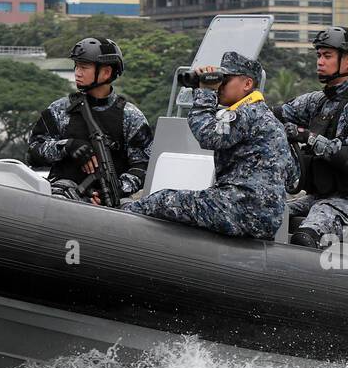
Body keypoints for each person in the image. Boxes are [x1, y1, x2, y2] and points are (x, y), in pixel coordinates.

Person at [124, 51, 297, 240]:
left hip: (244, 209)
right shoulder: (263, 115)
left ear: (247, 84)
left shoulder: (247, 113)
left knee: (162, 200)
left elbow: (208, 136)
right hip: (258, 212)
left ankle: (116, 218)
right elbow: (291, 177)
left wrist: (205, 93)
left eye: (225, 80)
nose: (219, 86)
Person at [275, 27, 348, 248]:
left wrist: (309, 137)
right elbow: (276, 113)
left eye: (327, 56)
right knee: (270, 211)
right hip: (318, 196)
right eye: (319, 56)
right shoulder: (317, 101)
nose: (320, 62)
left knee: (306, 234)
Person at [28, 37, 152, 203]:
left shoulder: (130, 116)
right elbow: (33, 153)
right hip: (63, 197)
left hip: (111, 202)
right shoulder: (60, 109)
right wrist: (67, 146)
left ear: (106, 72)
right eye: (77, 66)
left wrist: (116, 188)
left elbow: (144, 165)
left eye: (84, 67)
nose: (77, 73)